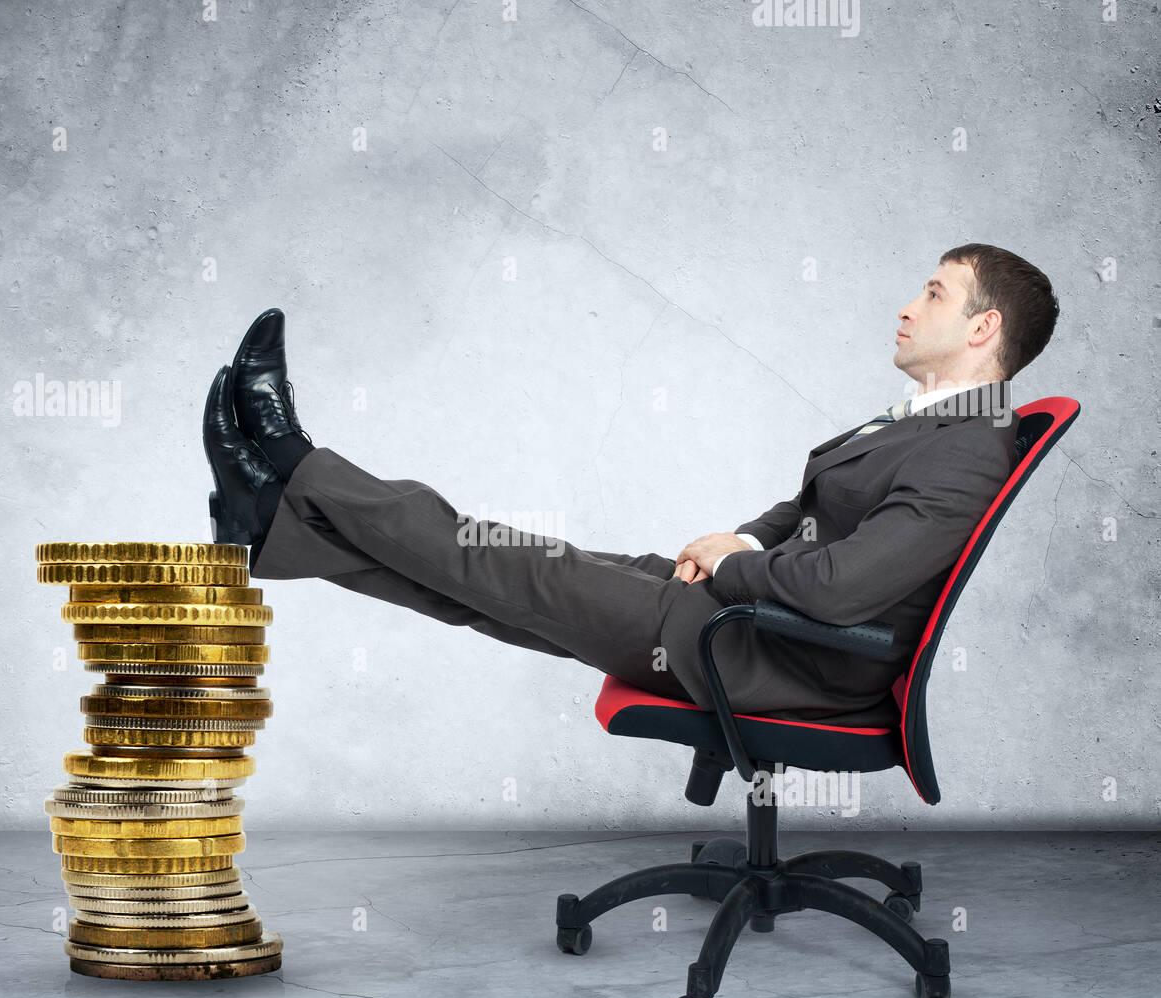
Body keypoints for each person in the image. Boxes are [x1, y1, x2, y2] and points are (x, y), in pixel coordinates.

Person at [203, 243, 1058, 726]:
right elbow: (808, 508)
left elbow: (844, 587)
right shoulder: (927, 418)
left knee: (500, 564)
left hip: (779, 653)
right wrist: (742, 541)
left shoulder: (967, 449)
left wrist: (730, 568)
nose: (909, 305)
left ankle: (294, 463)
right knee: (491, 577)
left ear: (983, 327)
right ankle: (275, 519)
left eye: (934, 293)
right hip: (748, 614)